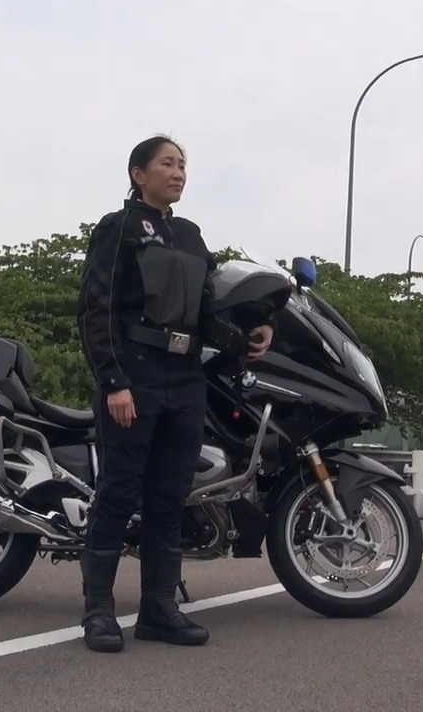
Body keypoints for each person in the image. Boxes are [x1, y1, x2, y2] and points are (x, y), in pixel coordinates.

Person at [75, 134, 274, 653]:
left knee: (168, 497)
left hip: (185, 379)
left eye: (183, 165)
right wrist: (114, 382)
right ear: (138, 174)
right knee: (119, 492)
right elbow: (98, 310)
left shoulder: (189, 235)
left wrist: (251, 333)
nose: (178, 172)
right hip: (136, 375)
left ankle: (159, 611)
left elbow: (207, 312)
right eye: (167, 163)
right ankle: (98, 612)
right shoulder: (118, 229)